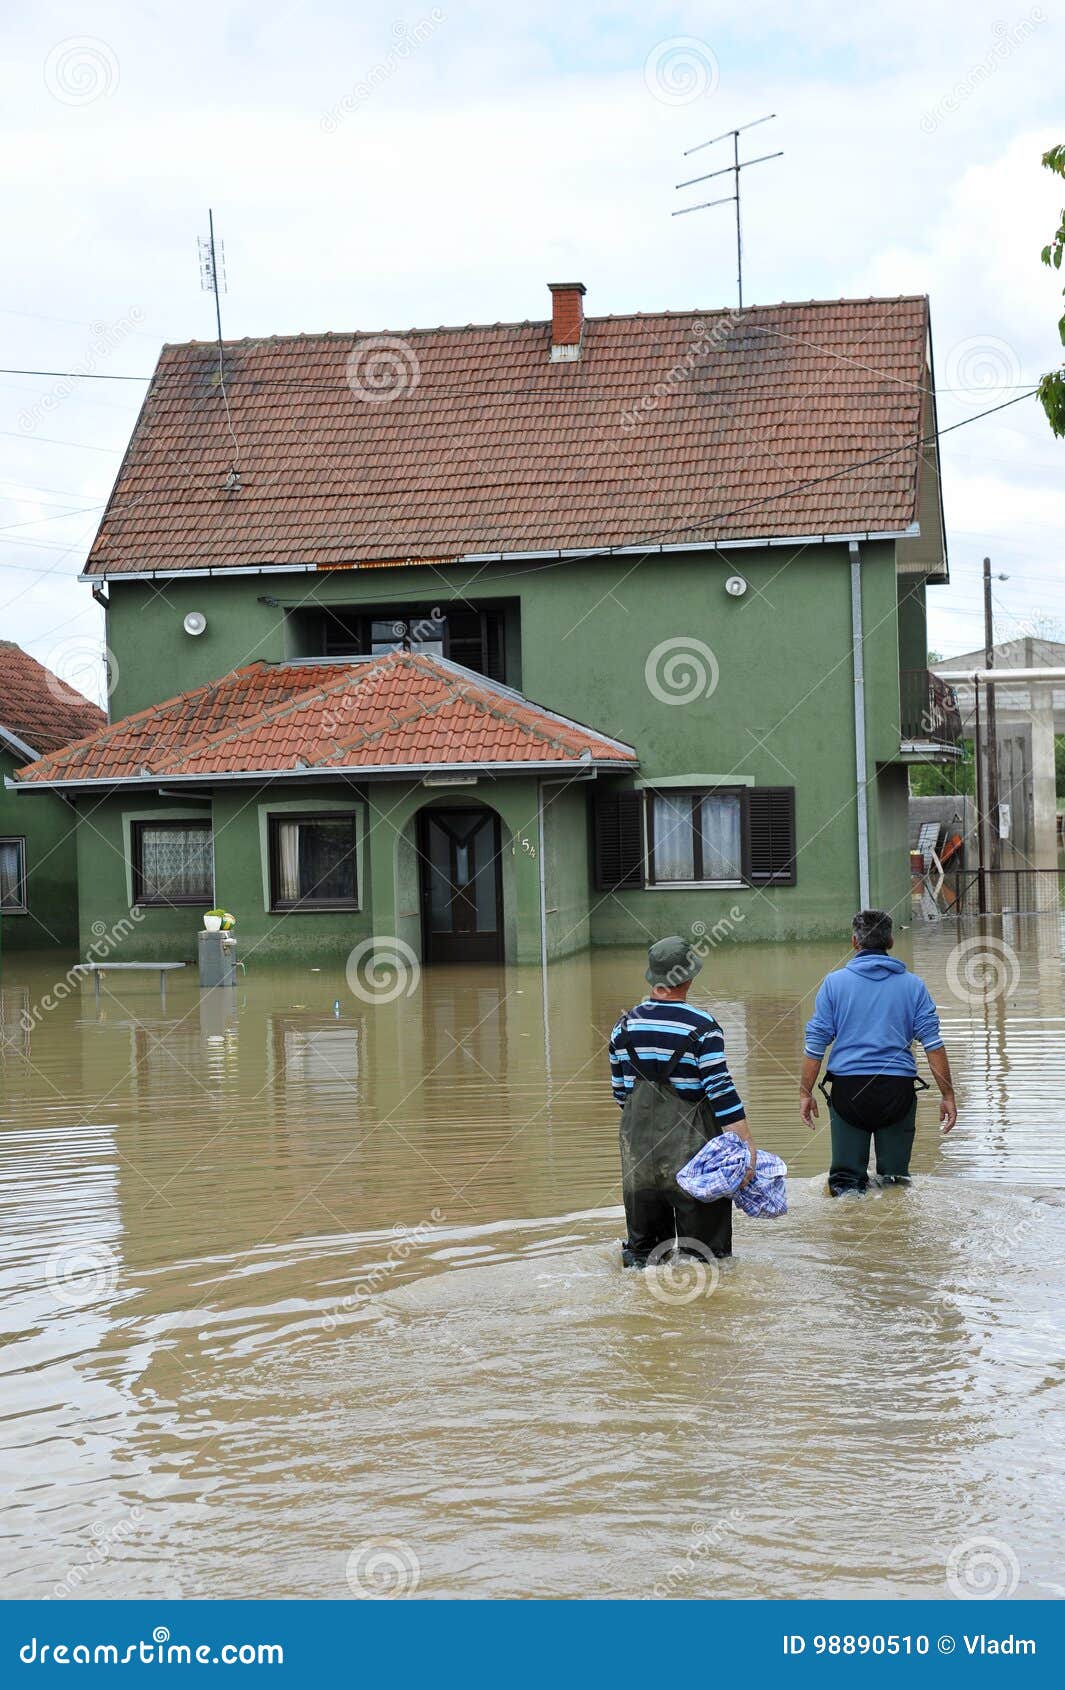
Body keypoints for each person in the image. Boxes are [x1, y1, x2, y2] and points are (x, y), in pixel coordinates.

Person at [609, 935, 756, 1267]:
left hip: (640, 1161)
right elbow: (721, 1092)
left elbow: (621, 1095)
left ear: (653, 977)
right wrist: (747, 1147)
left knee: (644, 1260)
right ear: (689, 978)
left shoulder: (623, 1027)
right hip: (695, 1162)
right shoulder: (703, 1028)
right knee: (705, 1259)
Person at [800, 909, 957, 1194]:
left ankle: (849, 1225)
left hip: (849, 1092)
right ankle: (895, 1231)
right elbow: (933, 1045)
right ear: (891, 942)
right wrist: (948, 1095)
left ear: (854, 942)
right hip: (897, 1091)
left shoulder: (834, 984)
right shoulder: (913, 985)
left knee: (846, 1183)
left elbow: (815, 1045)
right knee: (895, 1182)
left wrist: (805, 1092)